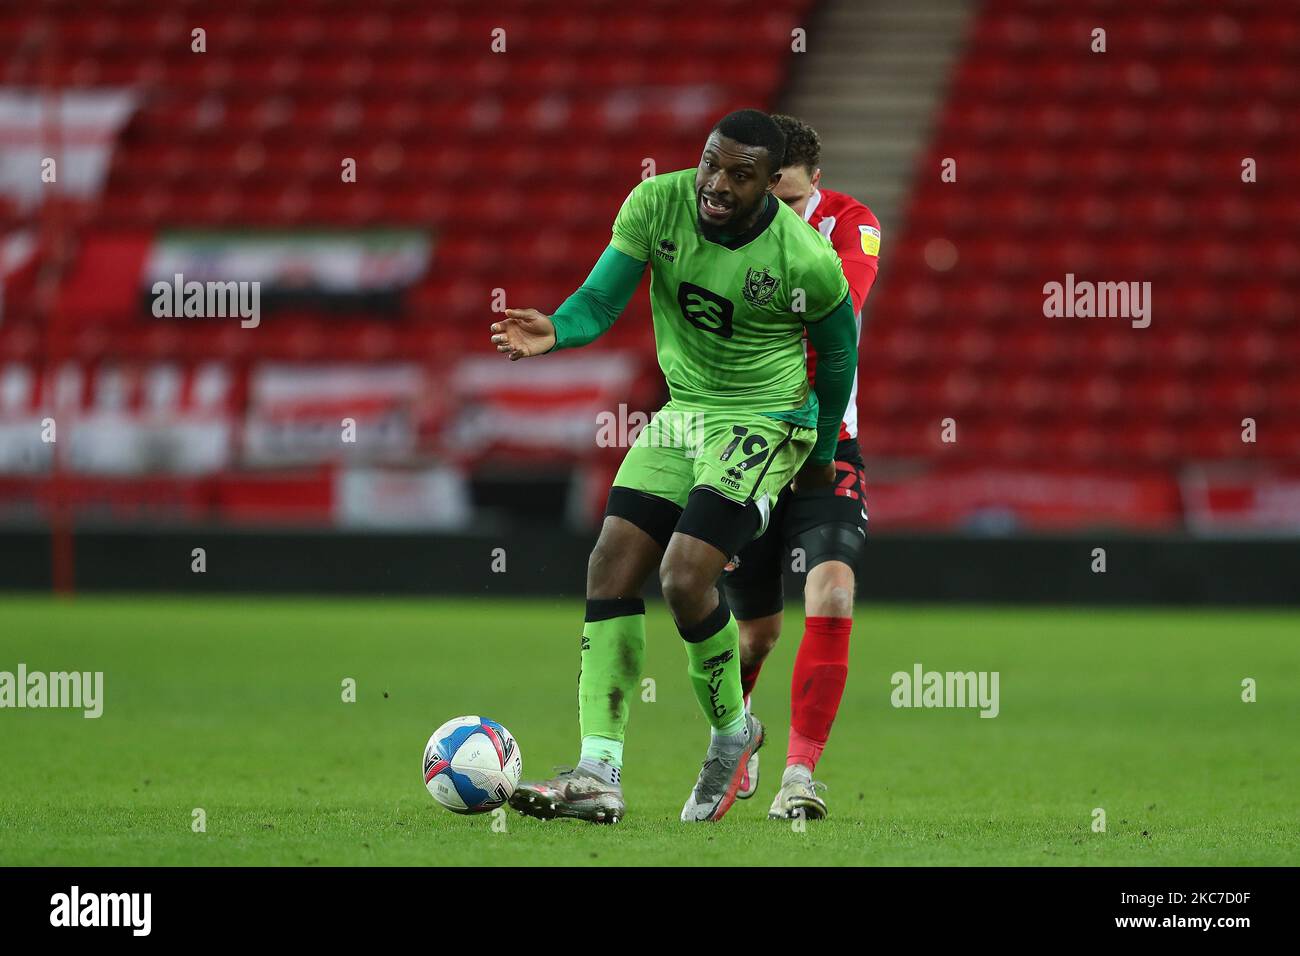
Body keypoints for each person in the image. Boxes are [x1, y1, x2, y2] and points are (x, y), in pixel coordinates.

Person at [488, 109, 857, 823]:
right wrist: (556, 331)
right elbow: (598, 302)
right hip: (684, 411)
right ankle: (598, 769)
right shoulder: (656, 201)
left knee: (686, 576)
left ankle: (730, 735)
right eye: (711, 162)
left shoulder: (804, 259)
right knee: (610, 564)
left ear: (769, 183)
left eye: (739, 175)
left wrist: (823, 450)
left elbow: (839, 351)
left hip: (763, 417)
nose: (715, 183)